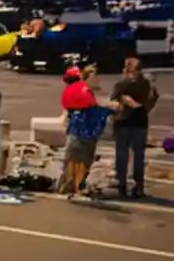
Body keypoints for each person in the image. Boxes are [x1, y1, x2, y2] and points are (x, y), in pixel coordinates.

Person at [110, 57, 160, 198]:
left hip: (123, 122)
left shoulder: (121, 84)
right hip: (140, 122)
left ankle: (122, 185)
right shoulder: (146, 84)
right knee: (138, 156)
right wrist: (146, 108)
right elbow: (154, 97)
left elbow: (113, 100)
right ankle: (138, 186)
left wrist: (123, 103)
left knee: (122, 155)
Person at [61, 65, 112, 199]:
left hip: (89, 135)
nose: (98, 79)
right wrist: (108, 108)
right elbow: (87, 111)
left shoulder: (88, 92)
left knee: (84, 162)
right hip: (80, 134)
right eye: (95, 76)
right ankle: (67, 188)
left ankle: (77, 186)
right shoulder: (82, 91)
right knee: (74, 161)